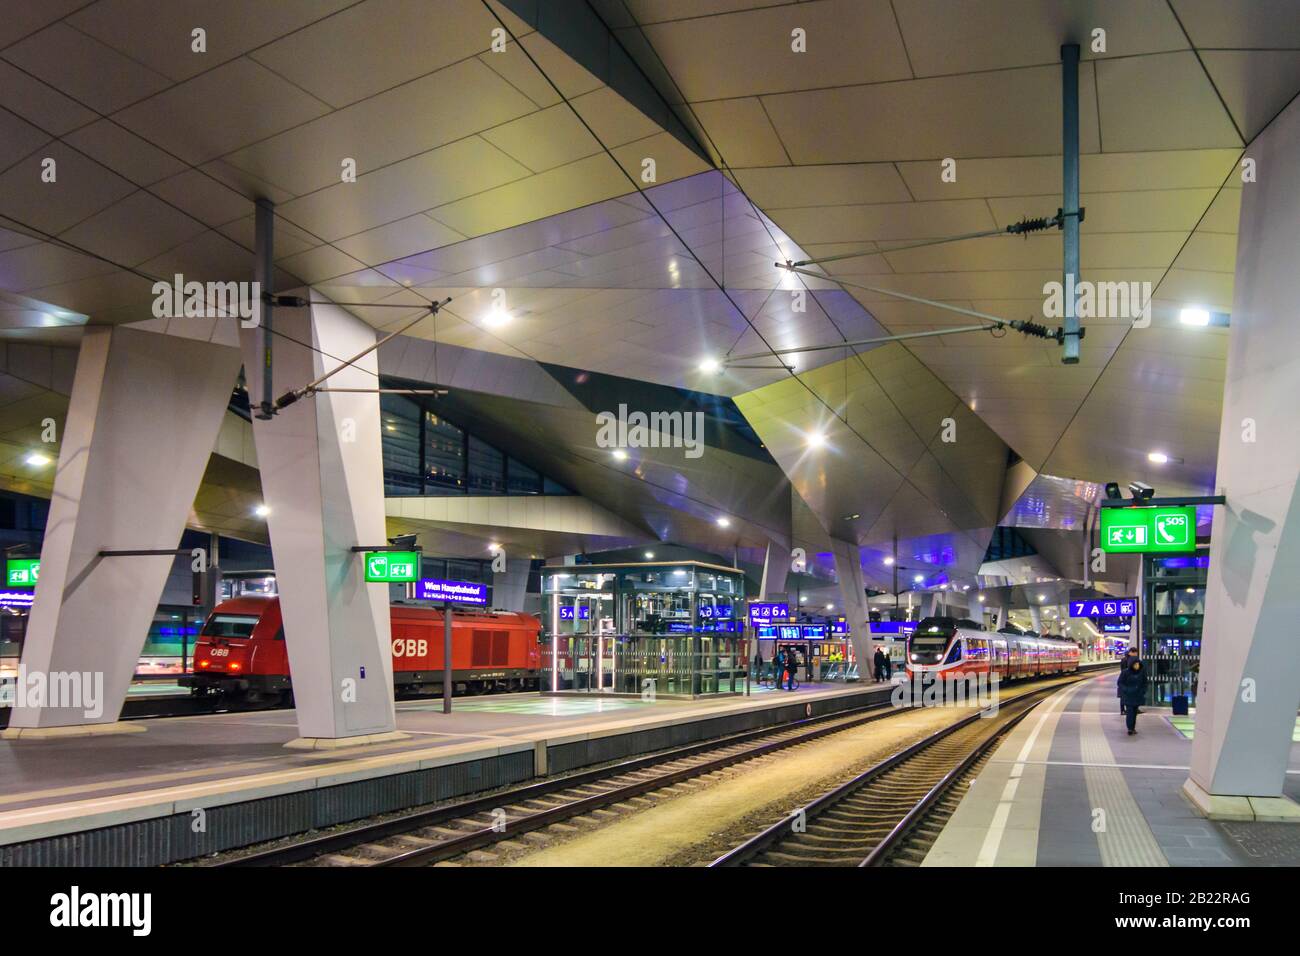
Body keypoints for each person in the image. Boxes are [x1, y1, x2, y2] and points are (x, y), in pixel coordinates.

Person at [1117, 657, 1147, 735]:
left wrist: (1143, 691)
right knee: (1130, 712)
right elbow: (1120, 683)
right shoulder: (1125, 672)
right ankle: (1130, 728)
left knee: (1134, 712)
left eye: (1138, 664)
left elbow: (1145, 683)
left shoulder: (1141, 673)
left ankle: (1133, 728)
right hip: (1128, 696)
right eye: (1135, 664)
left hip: (1137, 695)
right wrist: (1126, 690)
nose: (1137, 666)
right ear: (1131, 665)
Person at [1117, 646, 1139, 713]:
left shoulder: (1126, 659)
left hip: (1126, 679)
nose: (1136, 655)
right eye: (1135, 653)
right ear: (1132, 652)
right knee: (1125, 695)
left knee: (1125, 695)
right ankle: (1124, 710)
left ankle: (1126, 709)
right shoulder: (1127, 660)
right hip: (1126, 680)